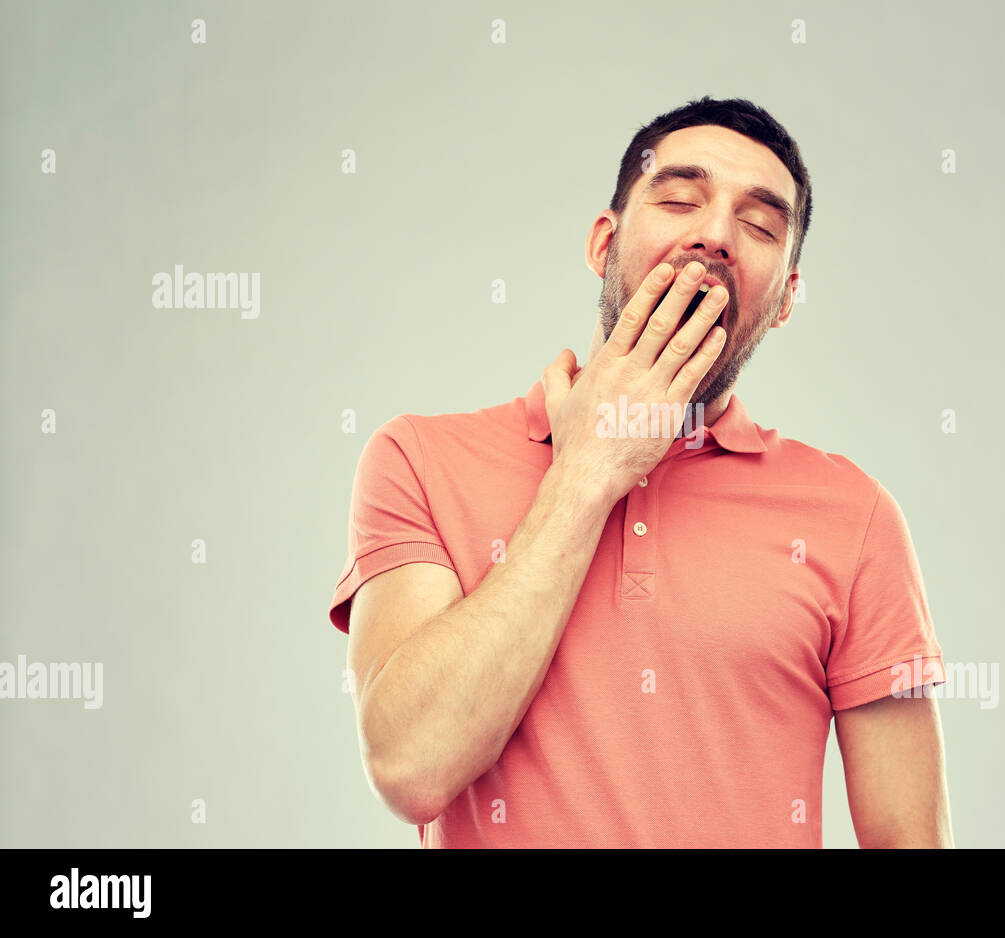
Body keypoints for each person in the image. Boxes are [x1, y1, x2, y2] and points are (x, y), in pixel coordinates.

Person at [328, 96, 954, 848]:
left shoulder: (856, 518)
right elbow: (410, 767)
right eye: (681, 198)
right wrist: (589, 468)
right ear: (603, 242)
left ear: (785, 301)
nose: (716, 234)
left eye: (759, 225)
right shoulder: (418, 460)